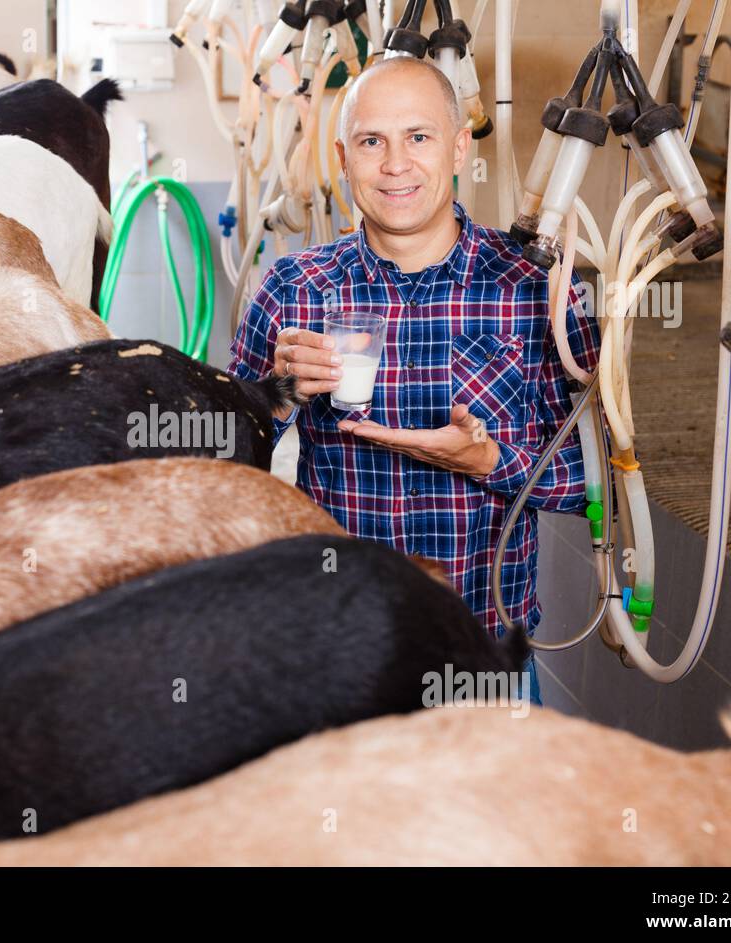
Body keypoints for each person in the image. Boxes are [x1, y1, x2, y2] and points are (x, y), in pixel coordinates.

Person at [227, 56, 602, 703]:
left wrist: (489, 461)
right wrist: (275, 396)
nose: (395, 164)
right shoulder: (294, 289)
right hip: (343, 652)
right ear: (344, 156)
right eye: (373, 142)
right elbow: (224, 469)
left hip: (482, 658)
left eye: (418, 137)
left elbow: (599, 488)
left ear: (459, 148)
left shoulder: (535, 290)